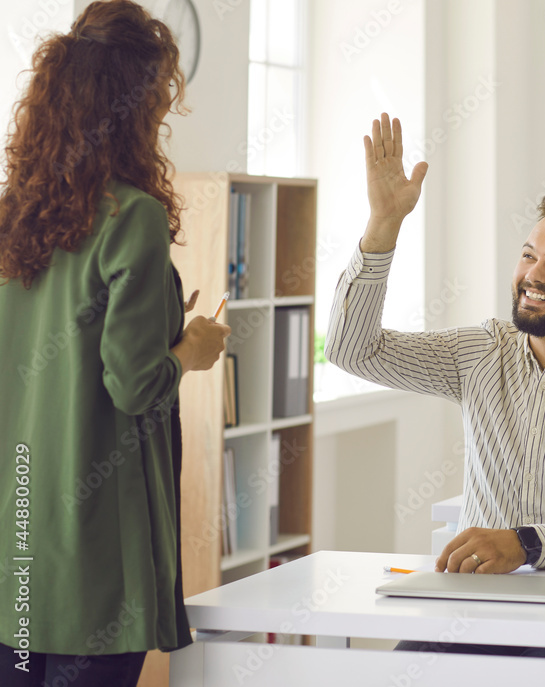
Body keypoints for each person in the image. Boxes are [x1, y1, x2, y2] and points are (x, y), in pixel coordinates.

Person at [326, 114, 545, 661]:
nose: (534, 274)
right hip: (476, 610)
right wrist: (383, 225)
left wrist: (526, 542)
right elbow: (350, 350)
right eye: (530, 255)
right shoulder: (481, 351)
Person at [0, 3, 231, 685]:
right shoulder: (134, 216)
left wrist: (160, 321)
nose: (163, 110)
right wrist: (190, 347)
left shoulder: (13, 216)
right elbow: (131, 384)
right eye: (159, 93)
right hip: (93, 555)